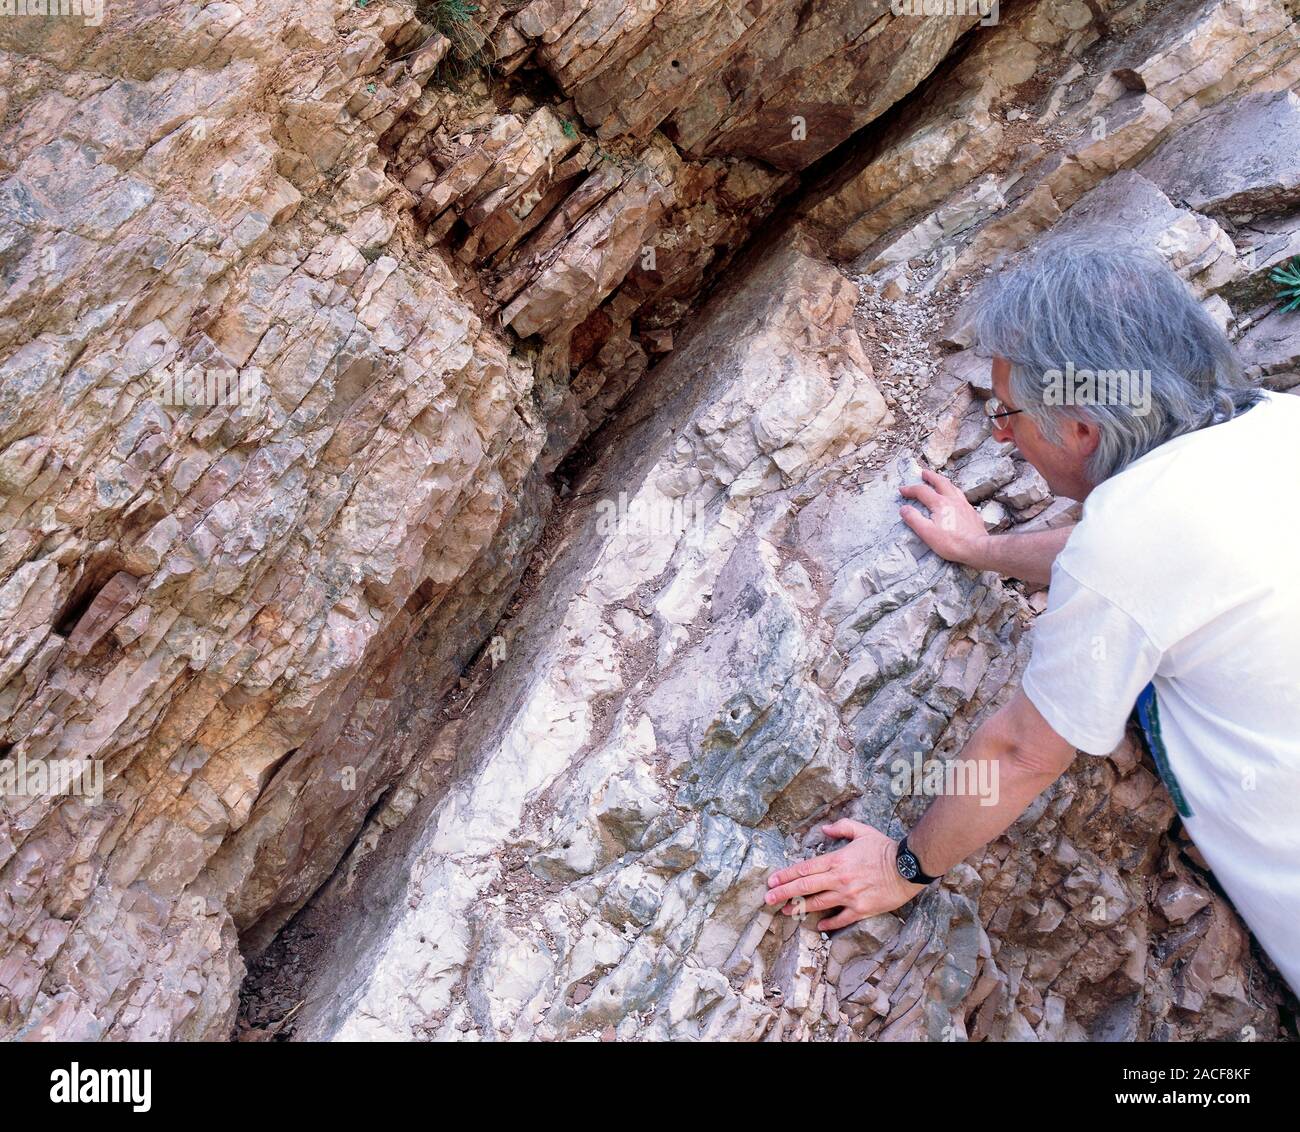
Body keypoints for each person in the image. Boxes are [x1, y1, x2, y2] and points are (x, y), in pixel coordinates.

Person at [764, 233, 1300, 995]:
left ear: (1082, 428)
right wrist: (983, 550)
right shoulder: (1275, 421)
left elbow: (1021, 751)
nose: (999, 432)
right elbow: (1159, 562)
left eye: (1009, 412)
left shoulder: (1134, 541)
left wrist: (904, 865)